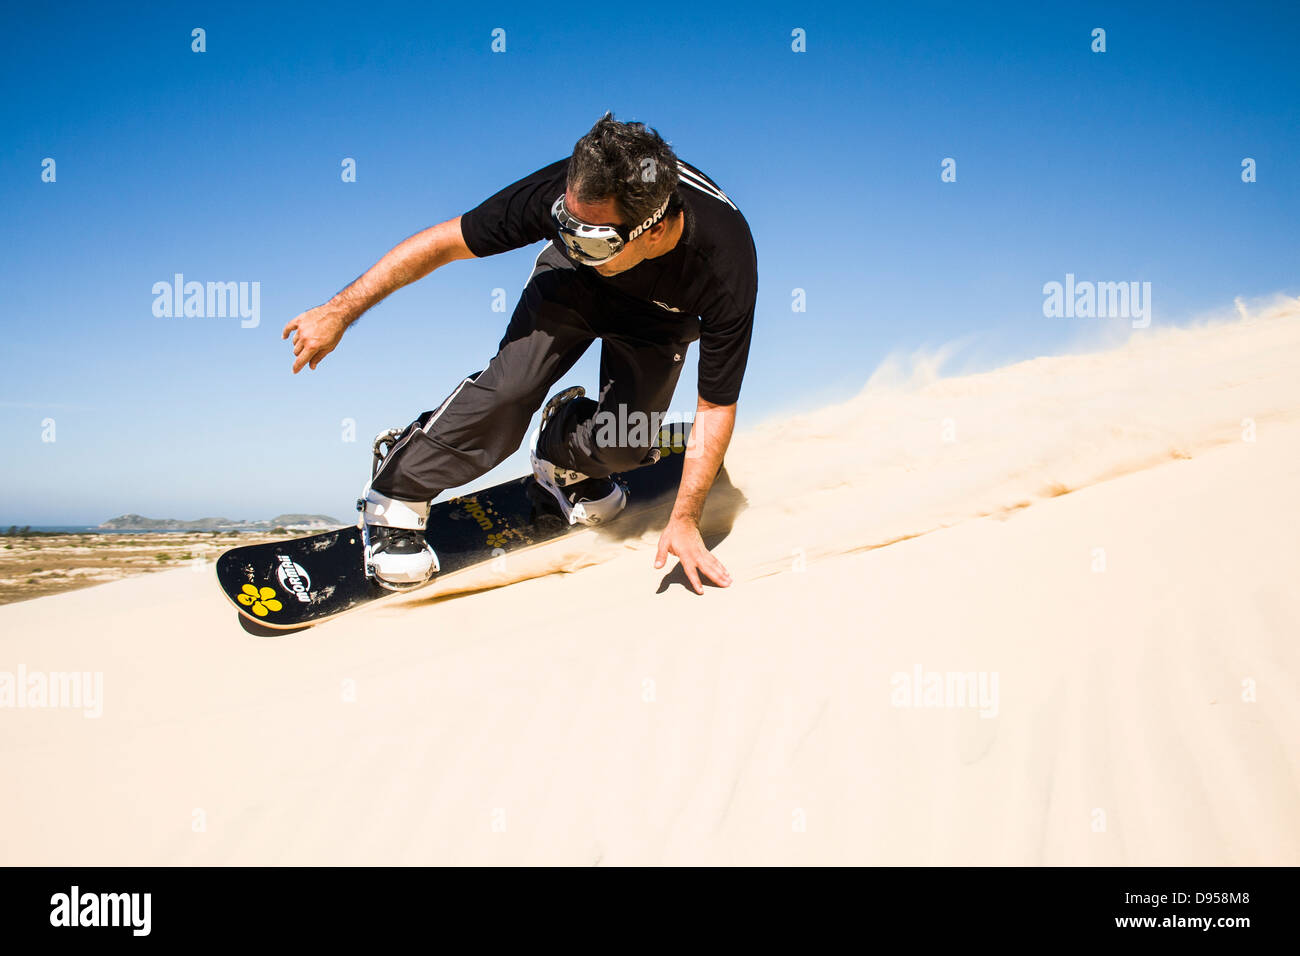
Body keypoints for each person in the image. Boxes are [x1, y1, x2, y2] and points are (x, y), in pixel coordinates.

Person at [282, 114, 757, 595]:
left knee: (626, 446)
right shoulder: (572, 191)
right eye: (566, 227)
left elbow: (715, 406)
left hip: (659, 320)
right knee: (511, 391)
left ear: (652, 232)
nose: (572, 240)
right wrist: (339, 311)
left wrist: (685, 519)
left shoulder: (724, 265)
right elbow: (445, 243)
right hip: (571, 287)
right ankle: (399, 488)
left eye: (592, 238)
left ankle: (562, 447)